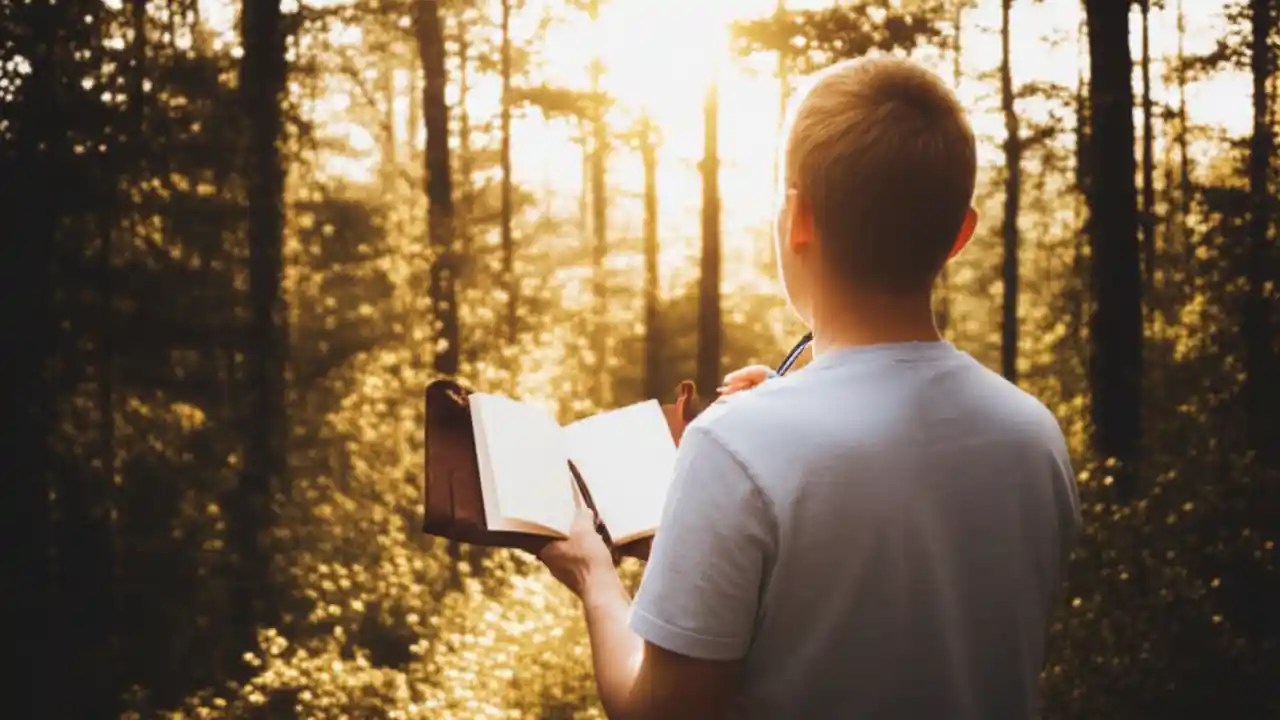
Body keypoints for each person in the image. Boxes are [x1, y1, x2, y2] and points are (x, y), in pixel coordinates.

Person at [536, 56, 1081, 719]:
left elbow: (659, 711)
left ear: (797, 217)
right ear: (959, 235)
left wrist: (594, 575)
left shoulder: (736, 447)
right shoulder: (1033, 435)